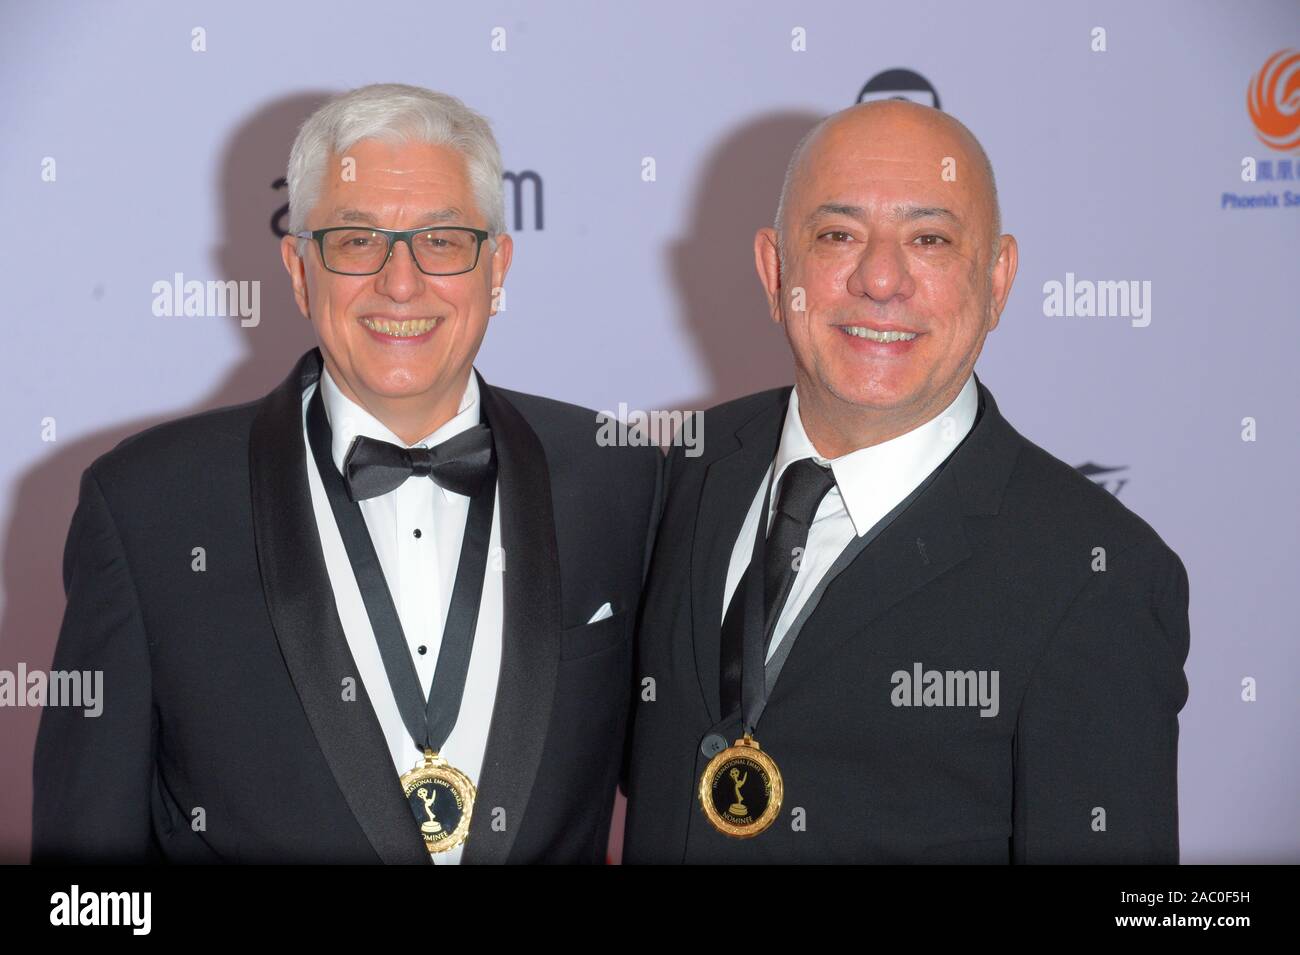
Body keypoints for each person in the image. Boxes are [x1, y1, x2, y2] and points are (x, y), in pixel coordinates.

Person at [33, 83, 662, 864]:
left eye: (441, 239)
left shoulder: (622, 477)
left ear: (497, 267)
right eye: (357, 241)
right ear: (300, 271)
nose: (401, 283)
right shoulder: (147, 507)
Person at [623, 100, 1190, 864]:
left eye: (930, 239)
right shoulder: (673, 475)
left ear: (997, 279)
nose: (881, 278)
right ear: (774, 269)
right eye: (837, 235)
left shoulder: (1095, 573)